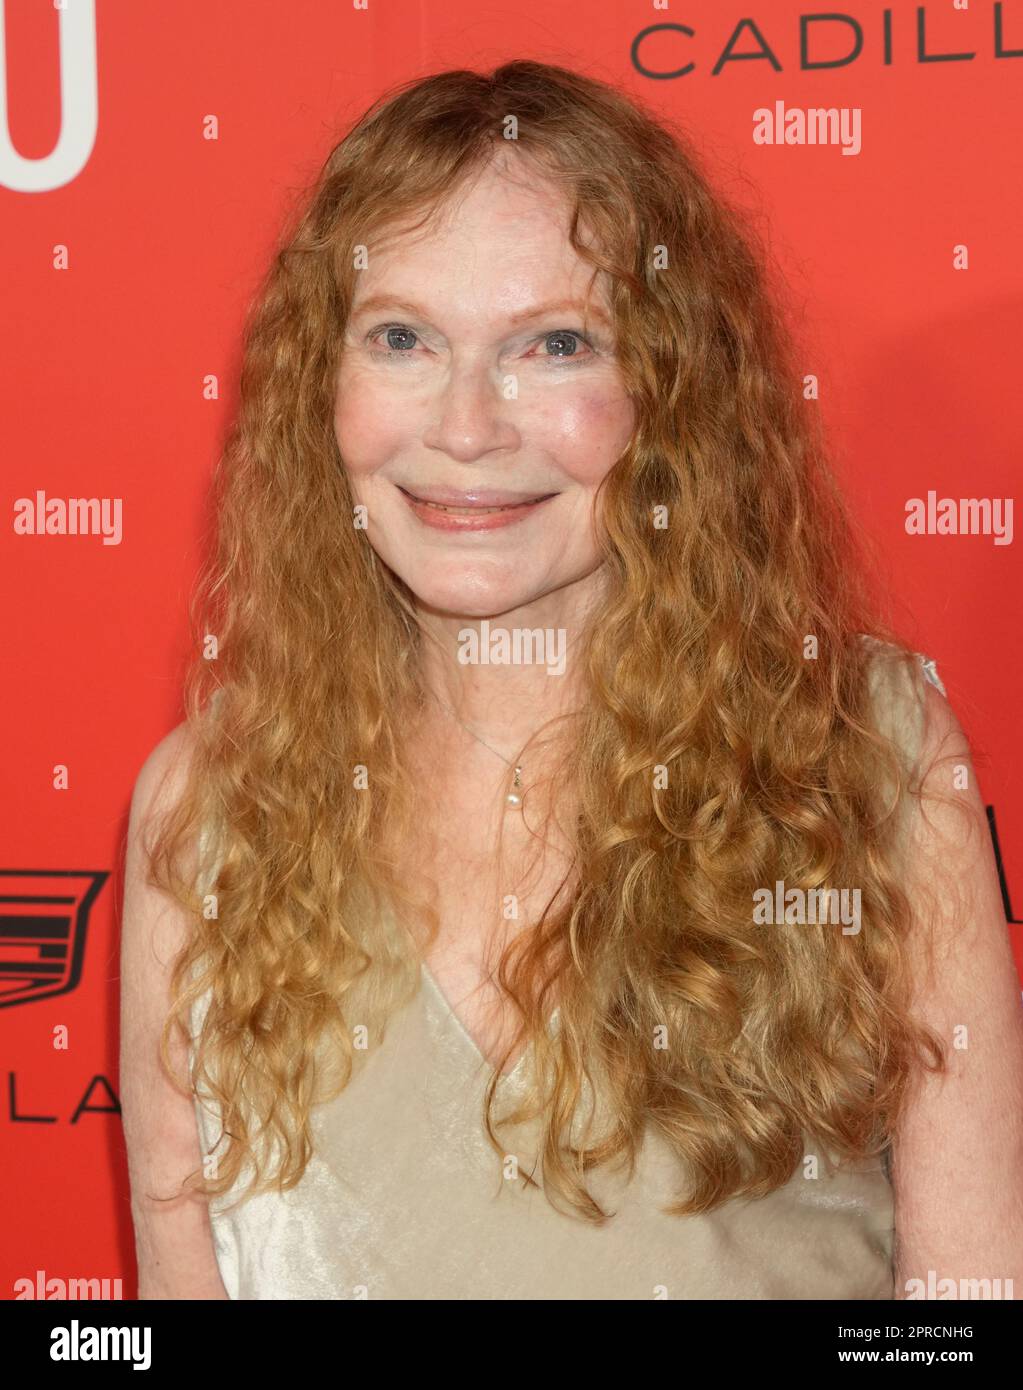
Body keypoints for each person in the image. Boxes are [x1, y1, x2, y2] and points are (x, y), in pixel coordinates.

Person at [119, 60, 1023, 1300]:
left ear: (669, 396)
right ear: (319, 393)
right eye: (401, 338)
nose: (469, 426)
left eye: (552, 343)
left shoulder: (866, 760)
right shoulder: (207, 812)